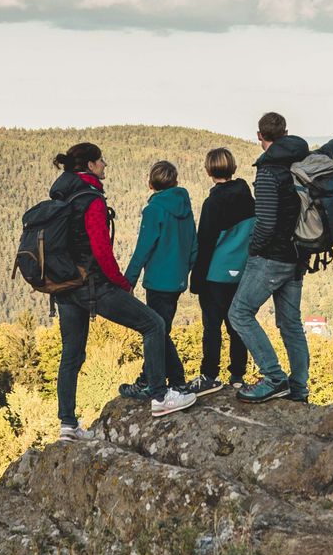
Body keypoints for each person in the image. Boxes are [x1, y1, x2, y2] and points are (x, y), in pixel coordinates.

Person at [47, 142, 194, 437]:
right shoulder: (91, 199)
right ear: (89, 165)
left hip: (64, 286)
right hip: (92, 285)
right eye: (101, 161)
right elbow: (101, 249)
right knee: (153, 324)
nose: (105, 165)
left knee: (72, 355)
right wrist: (121, 282)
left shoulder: (62, 195)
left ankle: (67, 425)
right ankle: (160, 397)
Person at [228, 112, 333, 403]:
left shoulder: (268, 171)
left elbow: (266, 223)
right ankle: (299, 387)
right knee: (290, 323)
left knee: (239, 313)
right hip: (297, 257)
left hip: (271, 257)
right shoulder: (301, 158)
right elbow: (325, 153)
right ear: (285, 132)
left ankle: (273, 378)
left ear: (260, 136)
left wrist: (254, 250)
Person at [186, 148, 254, 396]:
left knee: (212, 326)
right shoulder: (248, 198)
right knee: (236, 324)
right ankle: (237, 375)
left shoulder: (212, 203)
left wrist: (196, 279)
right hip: (242, 272)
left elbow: (205, 242)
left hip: (215, 274)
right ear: (233, 167)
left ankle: (210, 375)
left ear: (208, 170)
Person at [123, 160, 197, 330]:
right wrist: (182, 271)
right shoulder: (186, 209)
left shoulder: (153, 210)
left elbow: (142, 250)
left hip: (157, 282)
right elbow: (194, 246)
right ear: (176, 183)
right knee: (164, 328)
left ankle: (162, 358)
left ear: (150, 184)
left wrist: (128, 281)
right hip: (177, 281)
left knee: (156, 331)